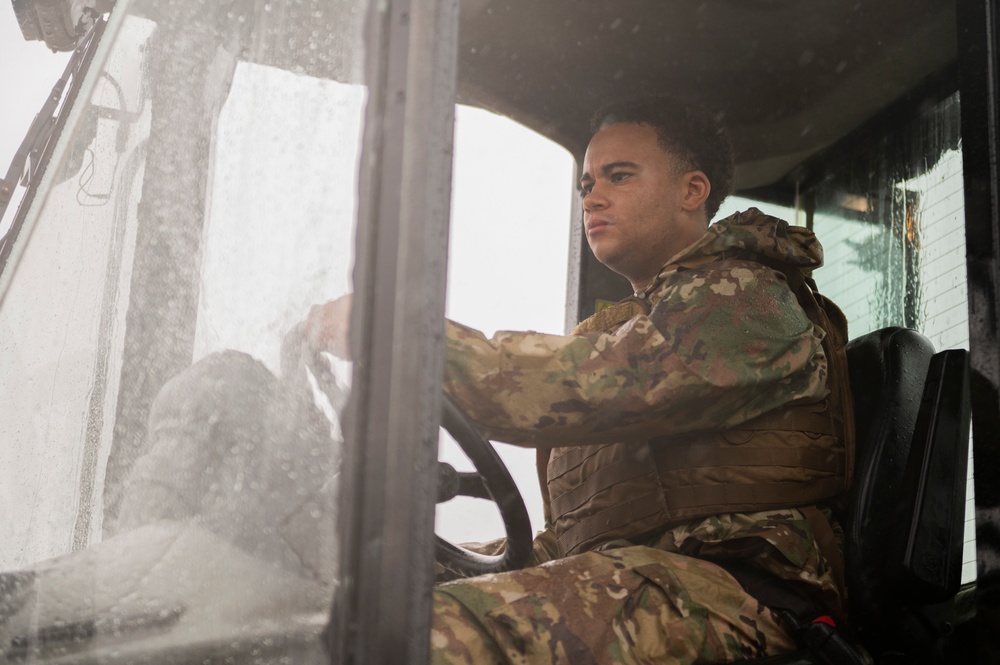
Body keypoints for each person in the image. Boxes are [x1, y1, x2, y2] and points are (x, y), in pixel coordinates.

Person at [305, 96, 854, 663]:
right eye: (587, 183)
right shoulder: (622, 330)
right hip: (642, 577)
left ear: (692, 191)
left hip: (740, 594)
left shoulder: (746, 301)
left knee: (416, 634)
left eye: (619, 176)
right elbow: (576, 536)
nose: (592, 195)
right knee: (350, 596)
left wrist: (400, 338)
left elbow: (569, 386)